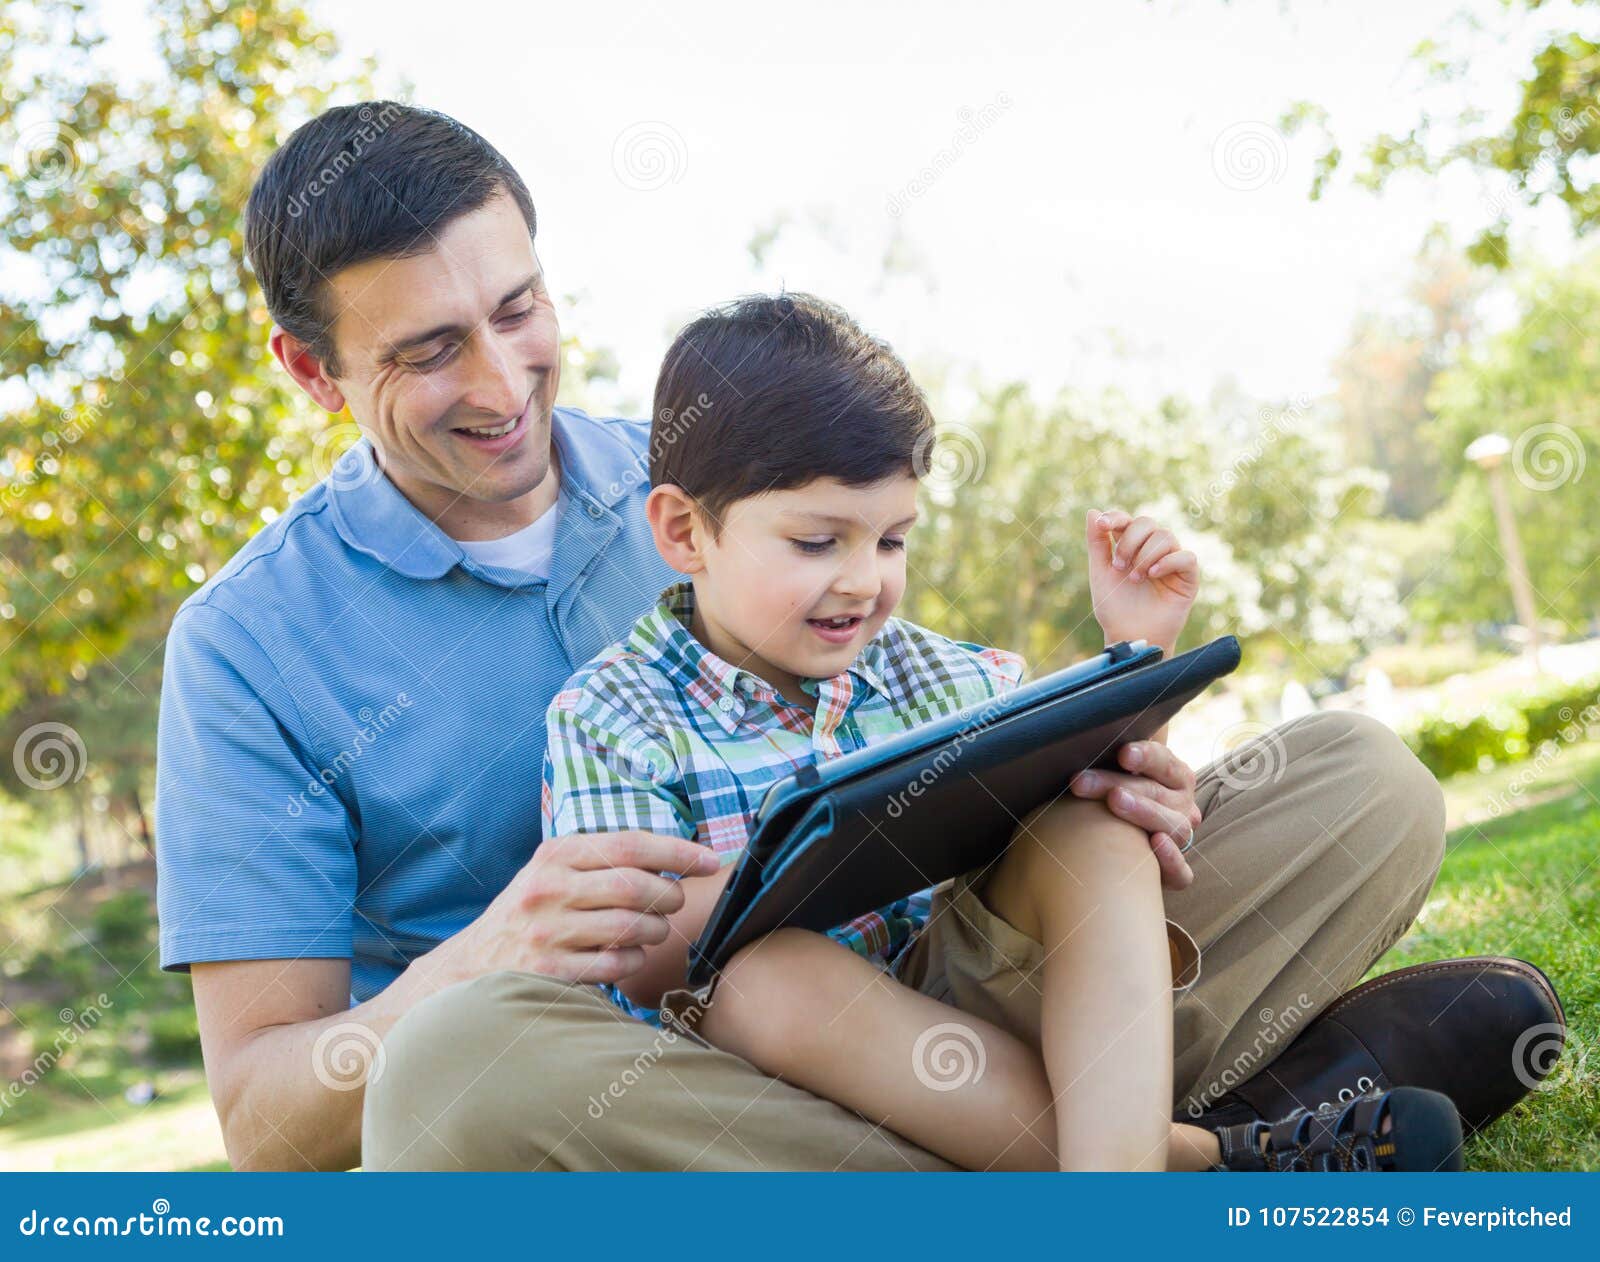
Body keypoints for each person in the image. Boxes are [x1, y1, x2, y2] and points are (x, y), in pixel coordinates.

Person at [154, 100, 1561, 1172]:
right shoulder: (248, 649)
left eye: (517, 309)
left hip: (929, 996)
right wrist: (494, 947)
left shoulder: (711, 464)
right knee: (452, 1070)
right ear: (310, 370)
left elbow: (926, 716)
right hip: (657, 1080)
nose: (501, 380)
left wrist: (1112, 770)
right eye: (425, 351)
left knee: (1359, 780)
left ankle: (1095, 1150)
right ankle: (1196, 1159)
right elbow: (265, 1113)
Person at [540, 292, 1464, 1172]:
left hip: (1014, 1016)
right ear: (683, 531)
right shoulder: (614, 715)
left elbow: (1078, 877)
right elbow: (641, 957)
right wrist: (822, 864)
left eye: (891, 540)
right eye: (818, 543)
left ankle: (1114, 1163)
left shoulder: (961, 679)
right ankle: (1188, 1161)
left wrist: (1133, 695)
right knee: (761, 977)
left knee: (1359, 774)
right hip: (793, 1102)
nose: (864, 580)